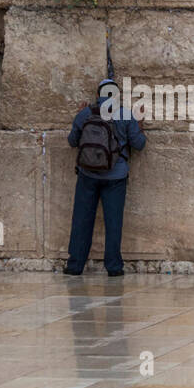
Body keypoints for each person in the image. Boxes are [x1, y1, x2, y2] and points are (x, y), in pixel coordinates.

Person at [64, 79, 146, 277]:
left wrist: (78, 116)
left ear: (98, 94)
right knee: (113, 221)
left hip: (87, 174)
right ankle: (114, 267)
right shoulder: (125, 115)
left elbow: (72, 141)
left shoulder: (86, 114)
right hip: (115, 177)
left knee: (82, 220)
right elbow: (139, 144)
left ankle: (75, 265)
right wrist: (140, 124)